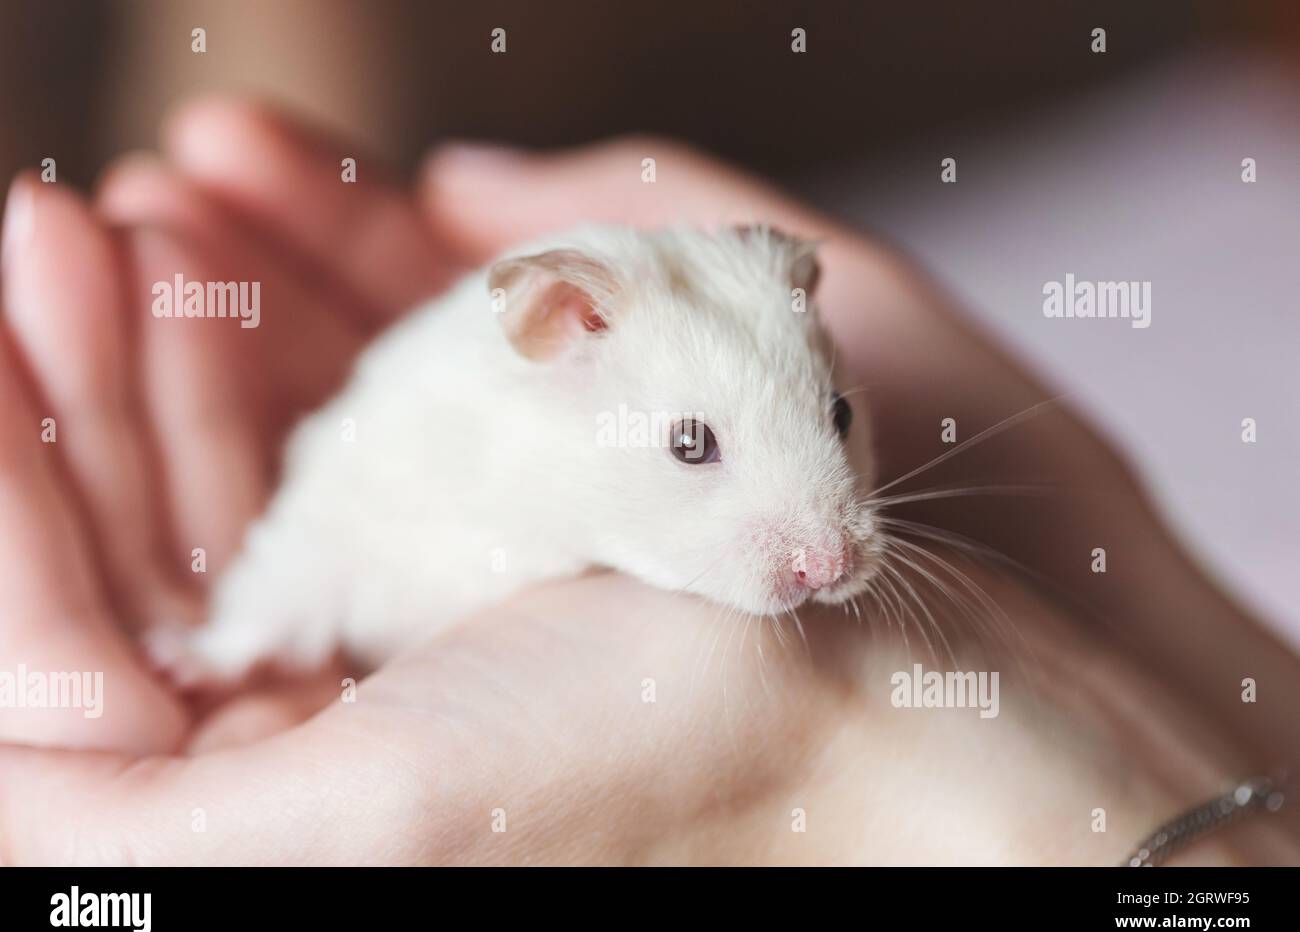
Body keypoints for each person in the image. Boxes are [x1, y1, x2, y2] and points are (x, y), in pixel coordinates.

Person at [0, 99, 1296, 864]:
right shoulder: (446, 396)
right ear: (555, 329)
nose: (829, 550)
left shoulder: (769, 307)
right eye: (695, 449)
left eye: (833, 424)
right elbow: (330, 522)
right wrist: (237, 640)